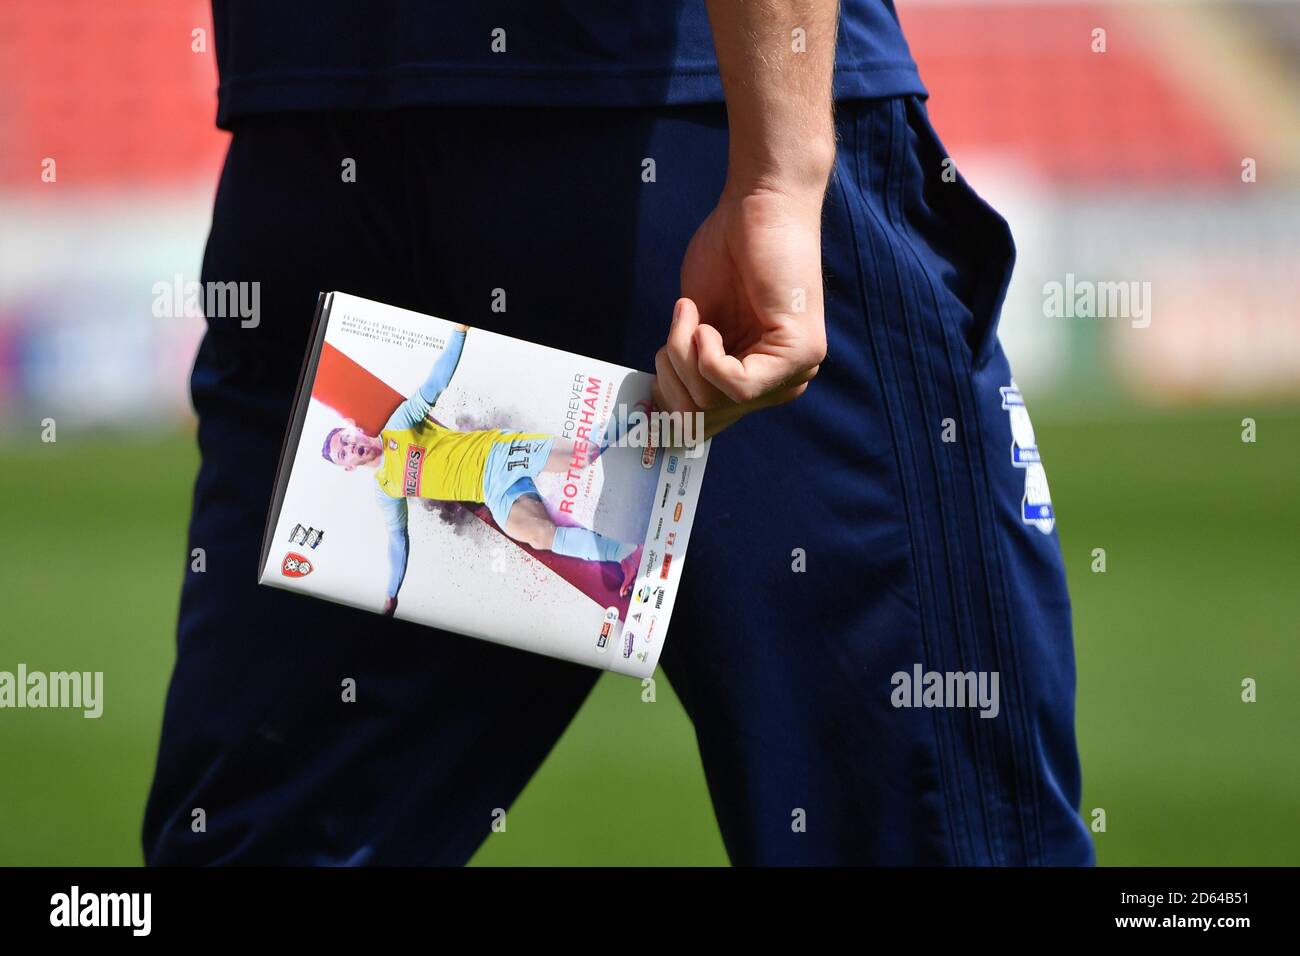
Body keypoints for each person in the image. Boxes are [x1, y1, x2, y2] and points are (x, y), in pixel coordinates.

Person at [145, 0, 1095, 865]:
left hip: (321, 147)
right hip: (679, 135)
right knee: (945, 844)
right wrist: (777, 170)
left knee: (266, 851)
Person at [320, 324, 642, 612]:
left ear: (355, 430)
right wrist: (391, 594)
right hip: (494, 492)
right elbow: (398, 540)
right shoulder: (386, 488)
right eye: (344, 454)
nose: (350, 448)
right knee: (538, 535)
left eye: (346, 440)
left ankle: (637, 414)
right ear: (348, 467)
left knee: (580, 456)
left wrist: (458, 333)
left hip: (497, 453)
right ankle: (625, 555)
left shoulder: (399, 425)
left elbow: (435, 384)